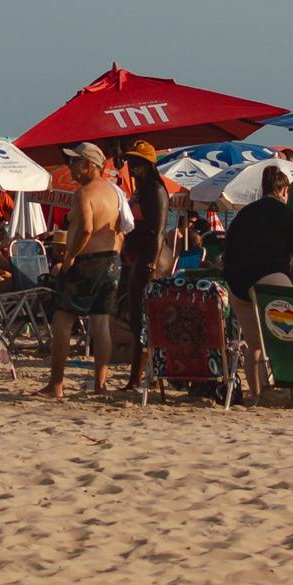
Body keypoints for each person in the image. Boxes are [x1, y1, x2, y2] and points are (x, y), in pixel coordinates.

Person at [45, 145, 132, 400]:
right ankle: (100, 384)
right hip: (112, 261)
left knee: (62, 321)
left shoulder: (84, 193)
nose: (70, 167)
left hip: (88, 261)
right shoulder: (116, 193)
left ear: (89, 165)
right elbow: (123, 229)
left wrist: (70, 258)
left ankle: (56, 384)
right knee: (101, 323)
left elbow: (85, 229)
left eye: (74, 162)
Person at [222, 164, 293, 398]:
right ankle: (291, 387)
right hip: (271, 277)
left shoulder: (244, 213)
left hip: (238, 282)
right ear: (284, 190)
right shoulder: (287, 214)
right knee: (288, 339)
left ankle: (256, 393)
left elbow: (227, 251)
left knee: (255, 345)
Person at [117, 140, 167, 397]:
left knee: (144, 320)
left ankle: (138, 378)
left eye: (137, 162)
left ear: (149, 165)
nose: (132, 166)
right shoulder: (140, 189)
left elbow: (158, 231)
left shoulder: (155, 190)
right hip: (137, 257)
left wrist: (151, 262)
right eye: (130, 161)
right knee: (136, 319)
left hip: (150, 259)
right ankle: (135, 377)